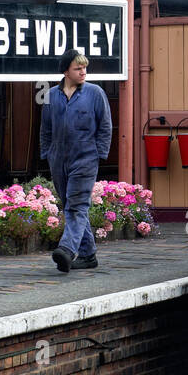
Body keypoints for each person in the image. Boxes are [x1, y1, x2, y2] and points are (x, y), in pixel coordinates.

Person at [40, 48, 112, 272]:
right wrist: (48, 153)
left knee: (77, 205)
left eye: (85, 68)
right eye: (78, 68)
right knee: (71, 206)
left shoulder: (95, 93)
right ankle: (89, 255)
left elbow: (105, 126)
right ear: (65, 71)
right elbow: (46, 128)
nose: (83, 72)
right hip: (58, 158)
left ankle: (67, 249)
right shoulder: (51, 95)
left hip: (86, 158)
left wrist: (98, 154)